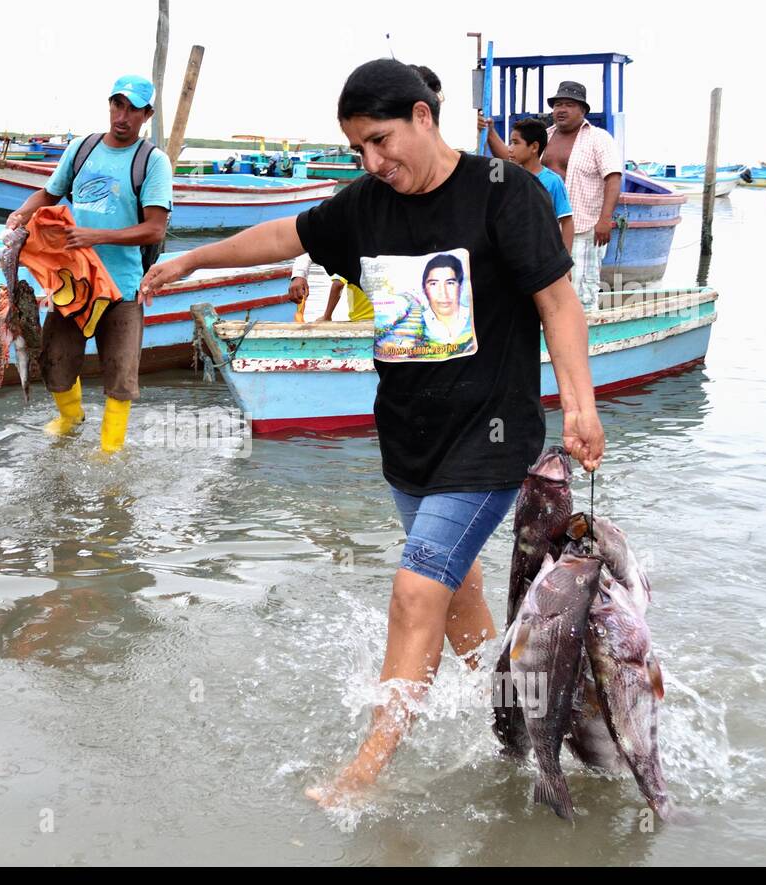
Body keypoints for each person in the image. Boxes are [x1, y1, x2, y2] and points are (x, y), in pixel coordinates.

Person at [141, 59, 604, 807]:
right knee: (455, 592)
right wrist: (192, 258)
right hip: (408, 438)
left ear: (425, 116)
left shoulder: (502, 193)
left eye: (382, 141)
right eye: (358, 149)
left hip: (488, 435)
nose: (373, 161)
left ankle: (366, 771)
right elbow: (283, 234)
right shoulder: (365, 206)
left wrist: (580, 405)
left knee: (417, 586)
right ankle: (520, 727)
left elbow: (557, 300)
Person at [4, 75, 173, 455]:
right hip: (74, 283)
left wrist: (97, 236)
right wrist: (20, 214)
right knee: (54, 363)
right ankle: (70, 418)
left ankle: (110, 450)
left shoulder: (152, 162)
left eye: (133, 109)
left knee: (120, 375)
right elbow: (48, 194)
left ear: (147, 114)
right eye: (117, 105)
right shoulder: (82, 148)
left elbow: (155, 229)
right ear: (109, 105)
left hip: (123, 286)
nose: (123, 116)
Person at [540, 81, 622, 309]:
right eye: (557, 104)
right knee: (548, 292)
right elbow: (513, 161)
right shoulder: (545, 136)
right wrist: (486, 133)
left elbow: (613, 178)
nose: (561, 109)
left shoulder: (599, 138)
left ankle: (589, 341)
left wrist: (605, 219)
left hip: (584, 229)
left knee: (582, 294)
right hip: (546, 229)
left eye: (568, 104)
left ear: (582, 110)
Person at [480, 115, 574, 251]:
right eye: (510, 143)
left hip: (543, 256)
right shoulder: (505, 177)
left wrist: (566, 260)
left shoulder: (553, 181)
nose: (510, 149)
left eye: (516, 143)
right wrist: (486, 129)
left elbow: (566, 221)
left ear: (534, 147)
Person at [288, 254, 374, 323]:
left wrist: (327, 316)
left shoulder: (351, 258)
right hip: (383, 317)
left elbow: (338, 285)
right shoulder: (381, 259)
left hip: (361, 319)